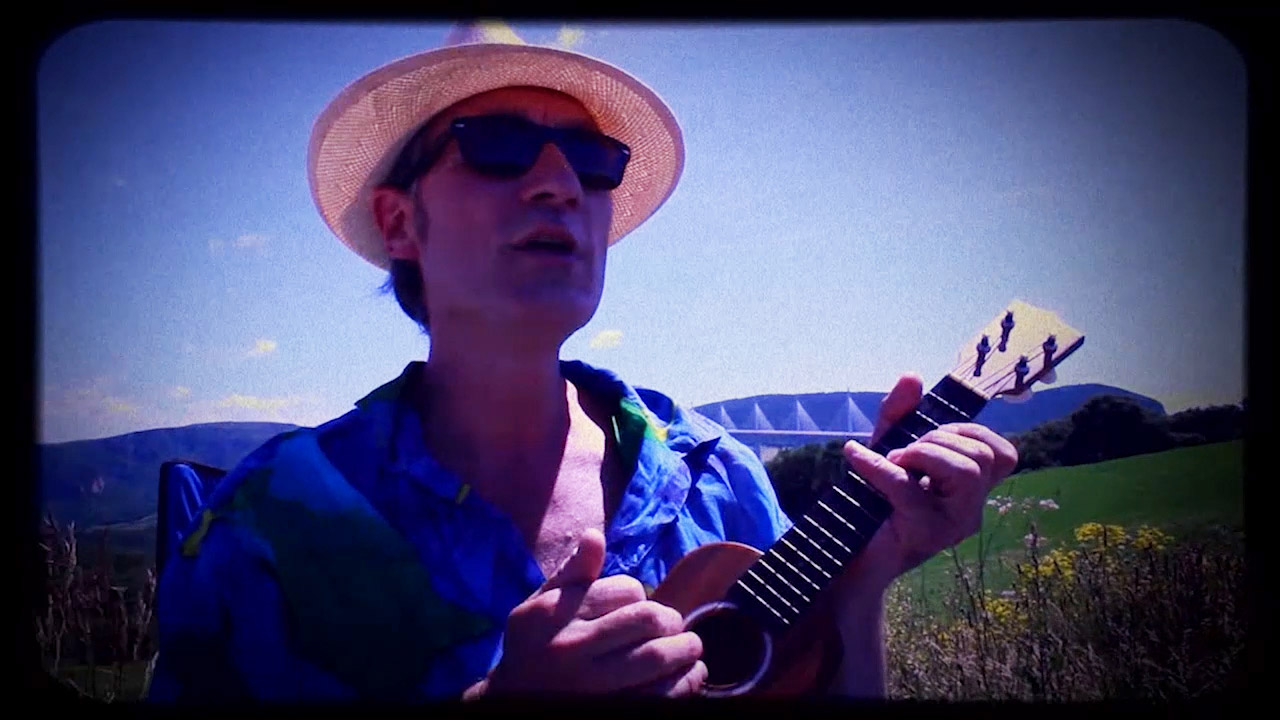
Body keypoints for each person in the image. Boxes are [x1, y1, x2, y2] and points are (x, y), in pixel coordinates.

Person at [147, 21, 1017, 704]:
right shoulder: (263, 527)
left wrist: (858, 594)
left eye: (595, 161)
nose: (561, 184)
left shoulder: (716, 478)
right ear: (400, 222)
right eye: (497, 145)